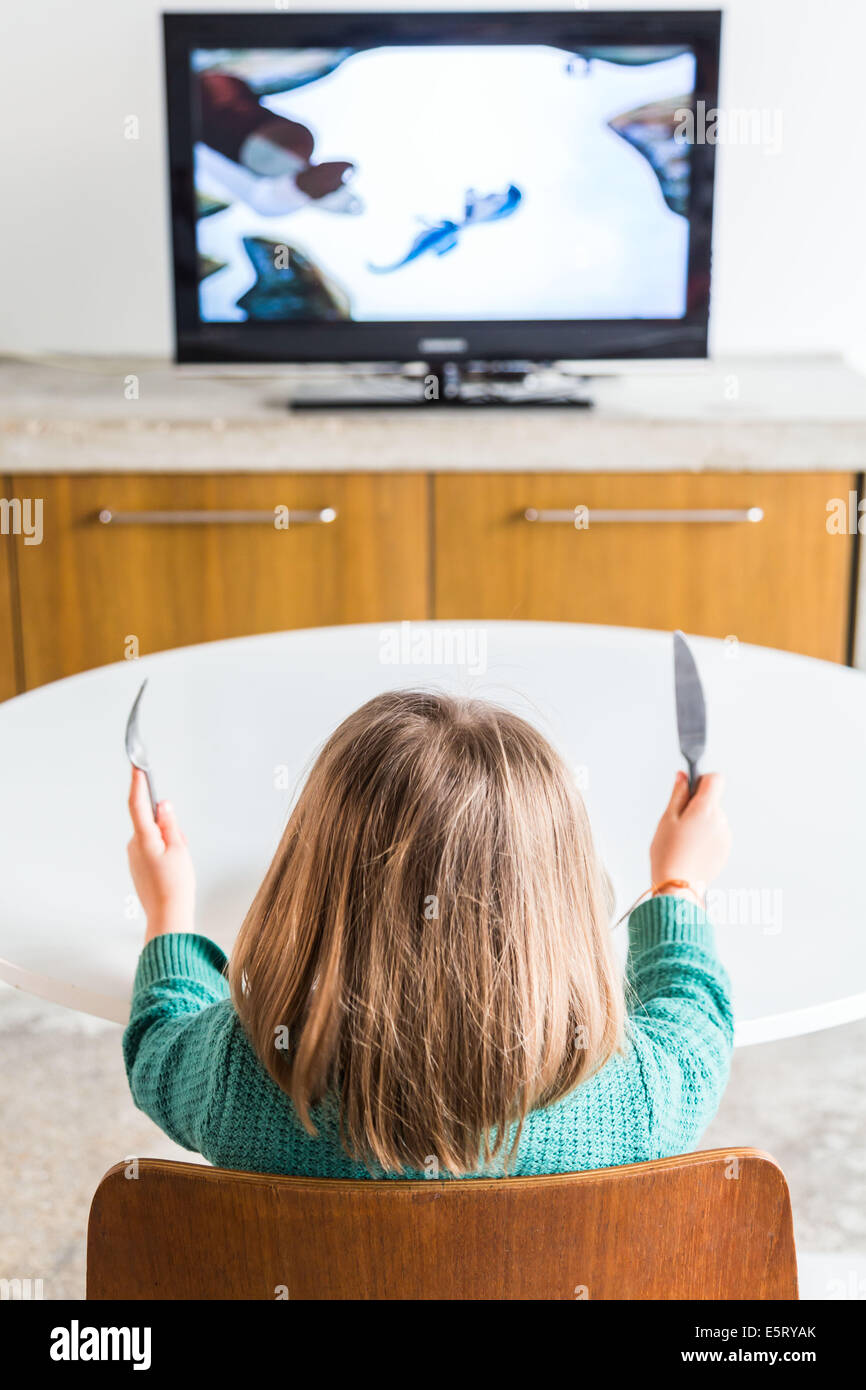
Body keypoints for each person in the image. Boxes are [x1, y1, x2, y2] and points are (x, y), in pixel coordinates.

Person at [123, 689, 732, 1178]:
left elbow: (157, 1038)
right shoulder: (634, 1099)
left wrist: (168, 912)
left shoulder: (235, 1076)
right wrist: (678, 886)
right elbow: (695, 1022)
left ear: (307, 883)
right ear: (556, 909)